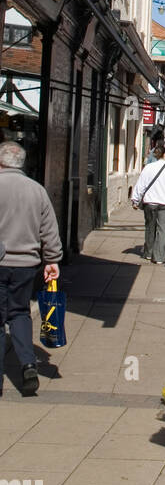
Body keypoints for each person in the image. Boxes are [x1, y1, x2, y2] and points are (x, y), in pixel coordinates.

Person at [0, 141, 63, 396]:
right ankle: (28, 364)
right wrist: (52, 260)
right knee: (19, 313)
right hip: (26, 264)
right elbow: (49, 230)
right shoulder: (37, 190)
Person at [131, 146, 165, 265]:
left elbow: (141, 185)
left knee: (150, 227)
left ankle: (149, 253)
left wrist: (135, 199)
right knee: (162, 230)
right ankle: (159, 256)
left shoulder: (148, 168)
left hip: (150, 202)